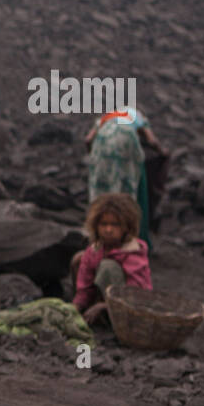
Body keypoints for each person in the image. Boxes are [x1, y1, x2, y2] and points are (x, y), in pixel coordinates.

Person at [83, 106, 168, 248]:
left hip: (102, 144)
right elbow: (152, 141)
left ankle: (96, 235)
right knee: (128, 189)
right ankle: (129, 237)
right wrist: (163, 152)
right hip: (126, 142)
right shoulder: (136, 115)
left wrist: (94, 157)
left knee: (101, 191)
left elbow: (87, 140)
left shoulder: (107, 117)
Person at [71, 192, 152, 325]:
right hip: (102, 297)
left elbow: (138, 295)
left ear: (127, 226)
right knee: (79, 259)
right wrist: (75, 307)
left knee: (108, 266)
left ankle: (110, 318)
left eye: (115, 225)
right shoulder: (96, 249)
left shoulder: (132, 252)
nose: (108, 230)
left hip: (127, 306)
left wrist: (104, 306)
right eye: (104, 224)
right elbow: (85, 287)